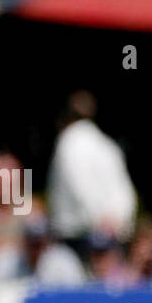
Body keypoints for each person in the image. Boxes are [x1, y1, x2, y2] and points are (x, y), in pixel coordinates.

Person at [47, 91, 136, 242]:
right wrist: (120, 220)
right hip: (112, 230)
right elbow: (124, 189)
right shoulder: (107, 144)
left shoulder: (69, 141)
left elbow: (79, 184)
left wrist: (99, 219)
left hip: (79, 232)